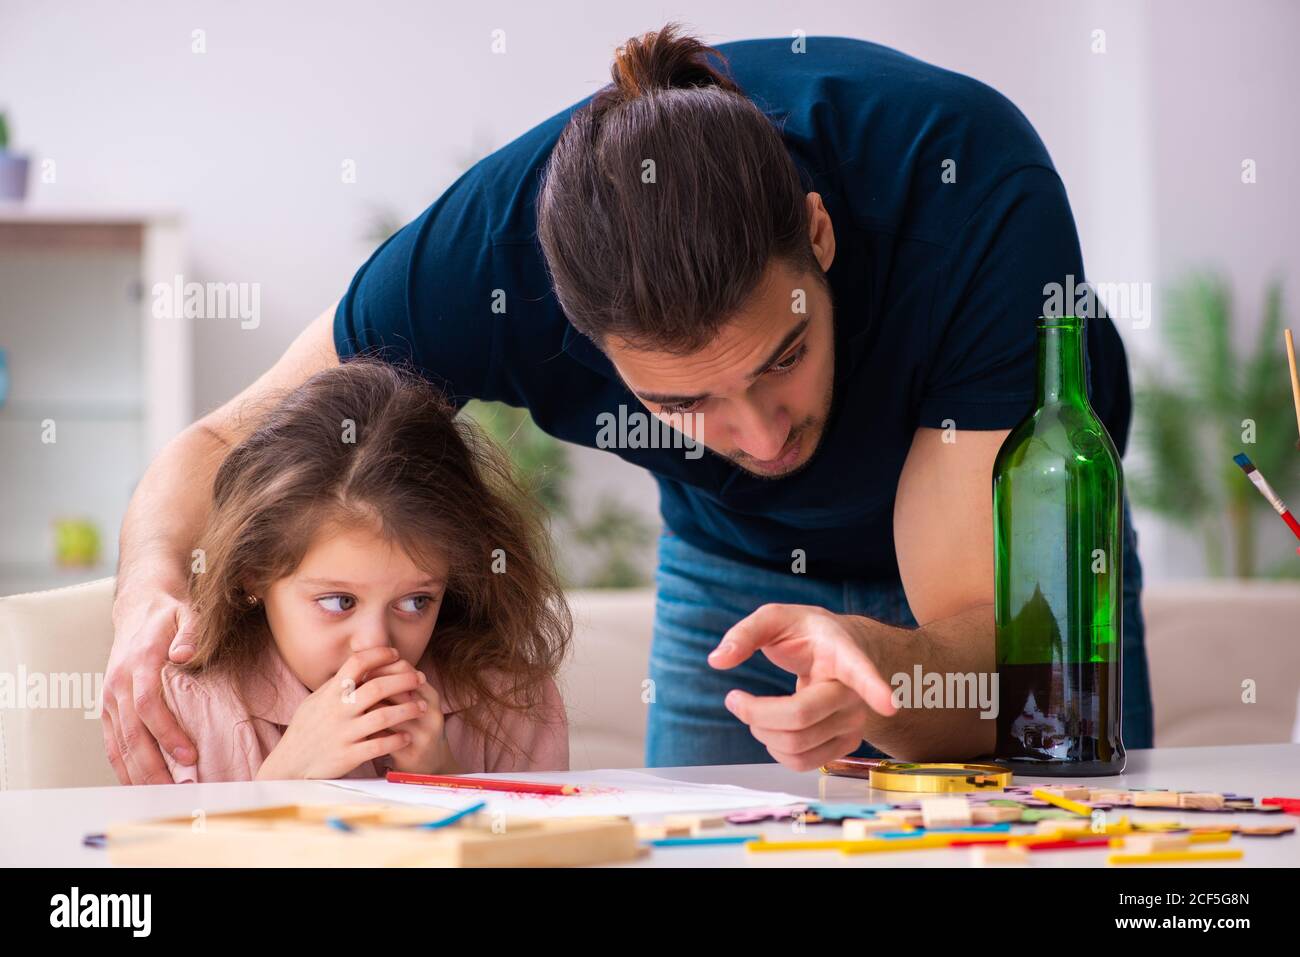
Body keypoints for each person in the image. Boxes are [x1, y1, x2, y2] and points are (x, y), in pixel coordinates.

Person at [104, 24, 1153, 783]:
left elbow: (994, 667)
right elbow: (223, 440)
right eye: (684, 402)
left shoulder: (965, 182)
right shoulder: (483, 262)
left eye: (781, 357)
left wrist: (883, 671)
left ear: (820, 236)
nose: (756, 434)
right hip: (730, 563)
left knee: (1074, 832)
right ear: (579, 335)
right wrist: (146, 587)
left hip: (1019, 563)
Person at [159, 359, 569, 781]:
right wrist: (283, 779)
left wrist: (442, 777)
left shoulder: (516, 703)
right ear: (252, 575)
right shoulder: (189, 710)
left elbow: (536, 846)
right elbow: (173, 849)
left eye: (416, 601)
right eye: (339, 601)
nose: (375, 645)